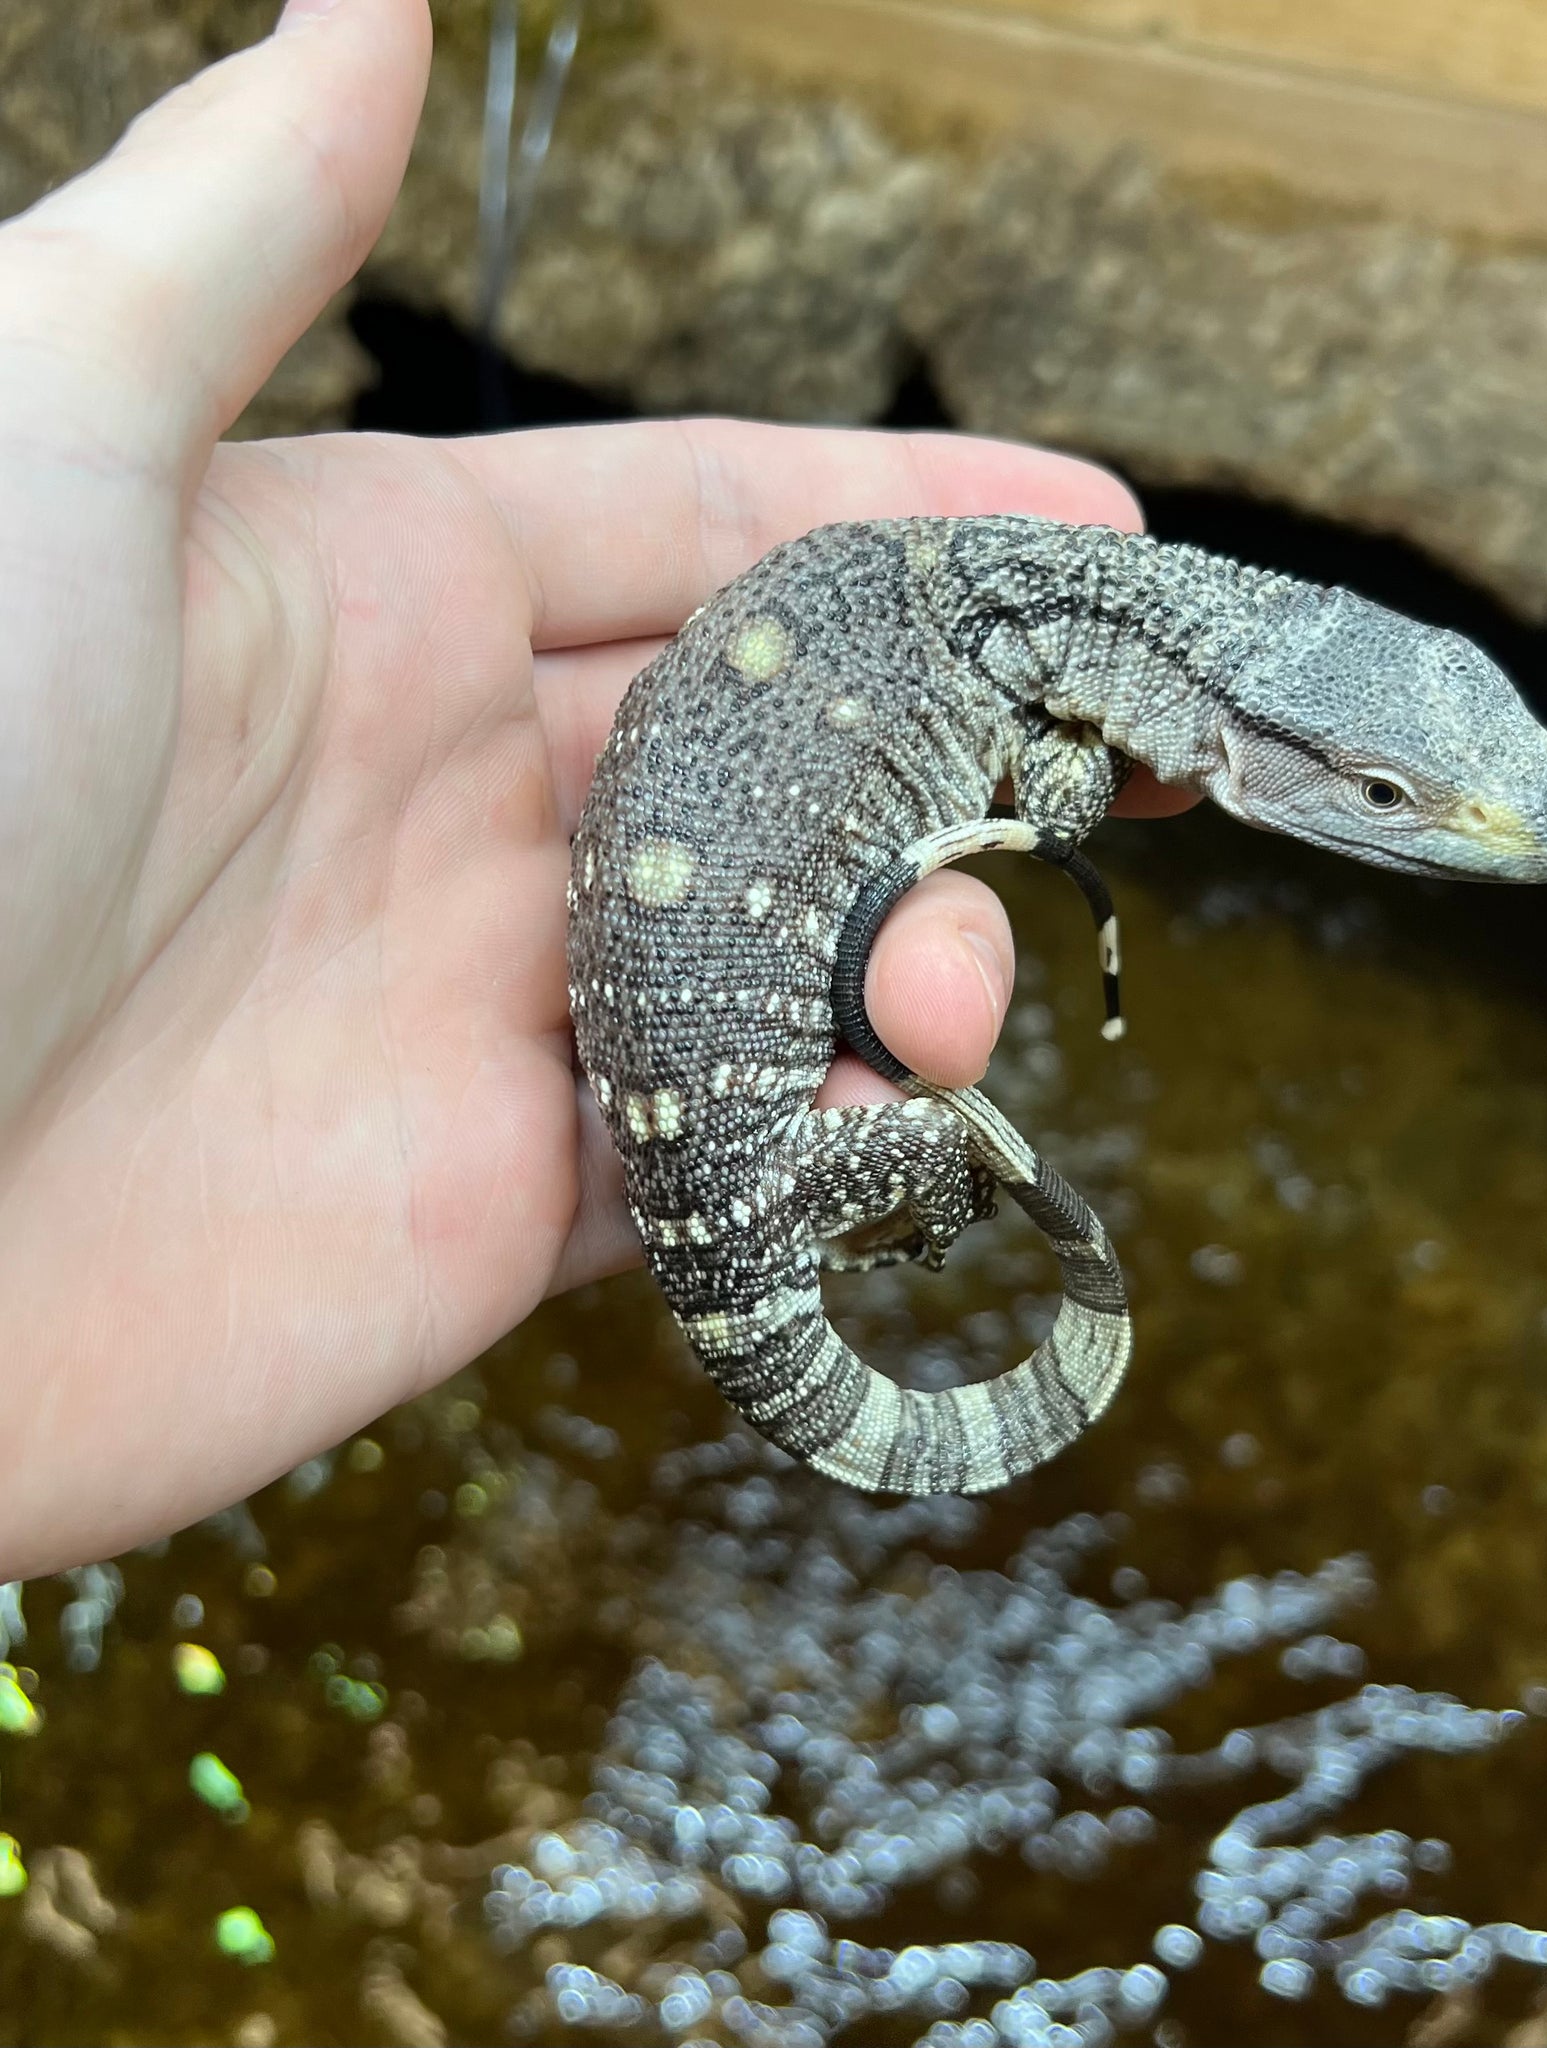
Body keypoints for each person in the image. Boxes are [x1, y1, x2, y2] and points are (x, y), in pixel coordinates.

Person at [0, 0, 1191, 1579]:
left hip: (715, 1121)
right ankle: (990, 1209)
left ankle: (972, 1200)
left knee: (942, 1083)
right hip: (721, 1134)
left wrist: (956, 1179)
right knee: (946, 1072)